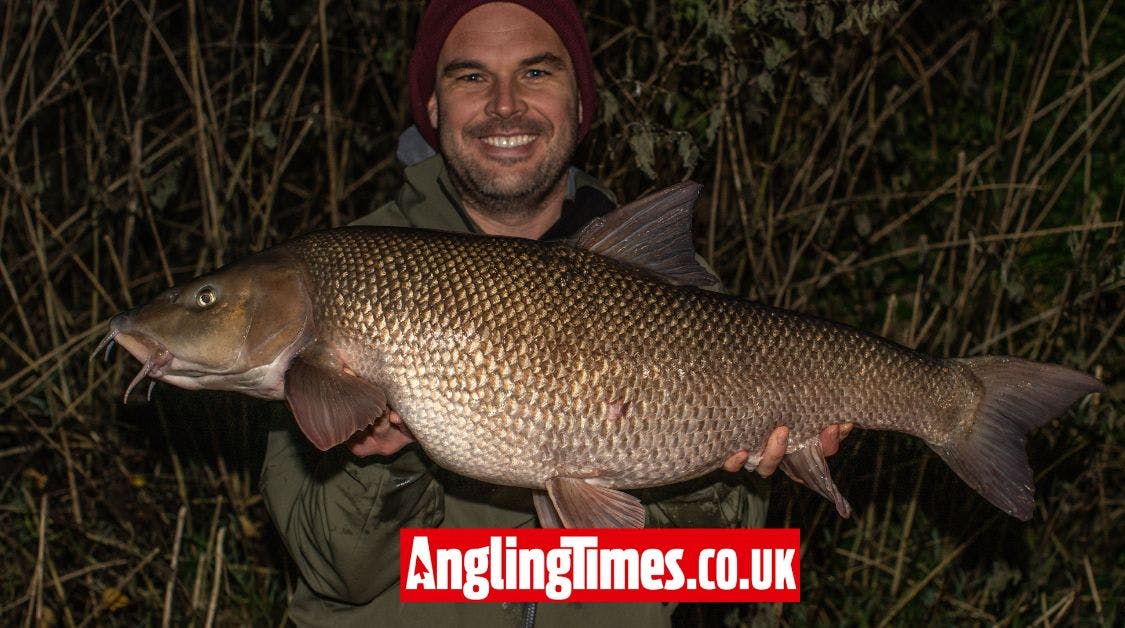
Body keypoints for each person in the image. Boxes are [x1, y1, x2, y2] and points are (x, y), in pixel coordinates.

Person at [259, 1, 852, 625]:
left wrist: (707, 466)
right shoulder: (338, 279)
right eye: (471, 76)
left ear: (580, 103)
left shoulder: (668, 295)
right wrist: (385, 461)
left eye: (537, 73)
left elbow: (709, 570)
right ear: (433, 108)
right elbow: (331, 573)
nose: (505, 104)